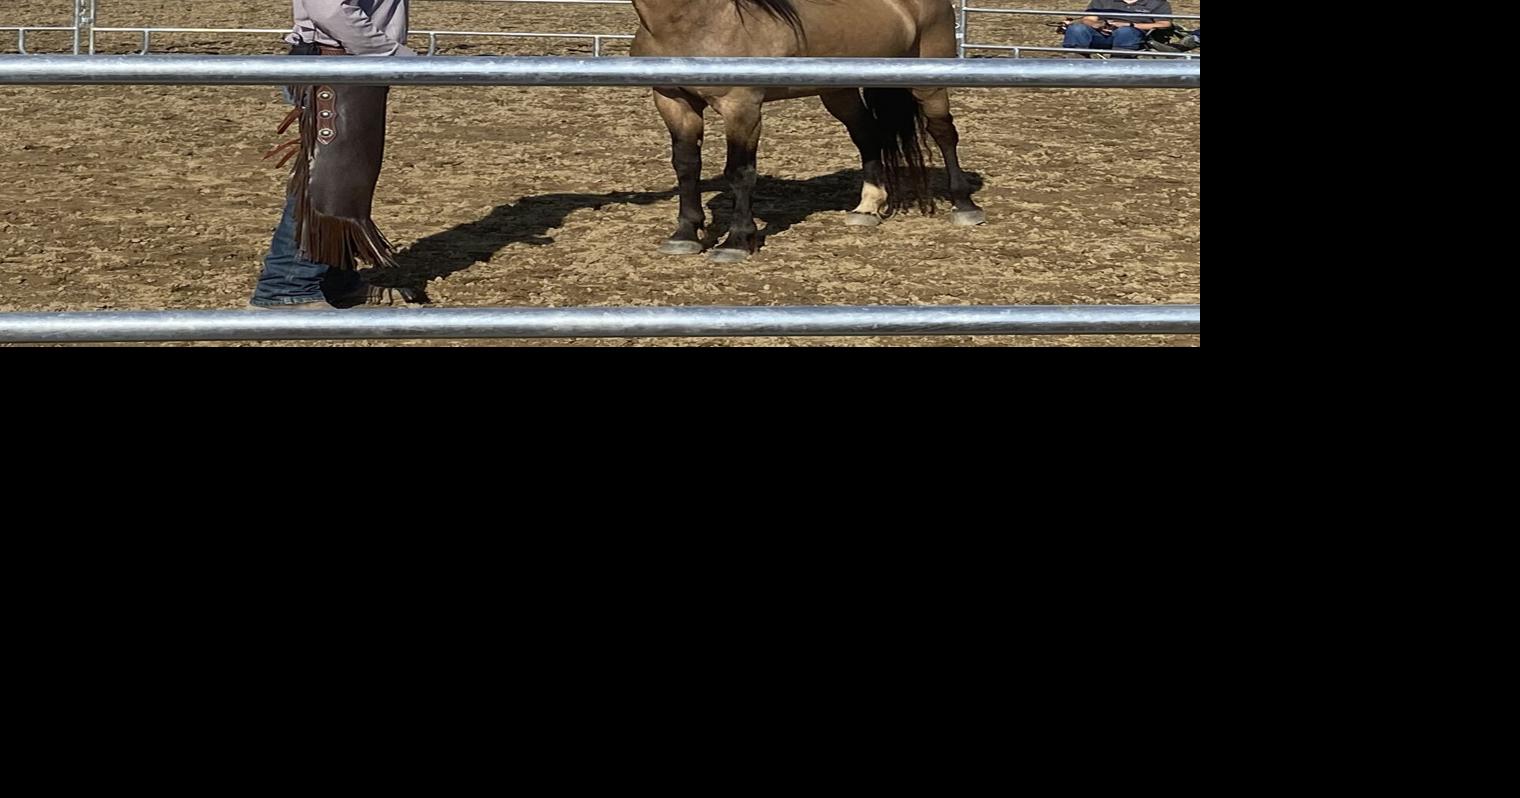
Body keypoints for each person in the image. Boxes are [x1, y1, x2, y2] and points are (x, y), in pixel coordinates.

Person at [250, 0, 418, 310]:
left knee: (345, 176)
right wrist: (389, 52)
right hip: (340, 58)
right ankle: (287, 288)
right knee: (330, 178)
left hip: (349, 57)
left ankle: (334, 281)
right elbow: (328, 9)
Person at [1062, 0, 1174, 56]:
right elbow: (1088, 19)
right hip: (1102, 34)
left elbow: (1164, 24)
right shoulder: (1103, 1)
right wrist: (1097, 25)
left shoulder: (1157, 2)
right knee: (1076, 28)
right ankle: (1075, 58)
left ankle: (1120, 60)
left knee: (1125, 32)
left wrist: (1130, 25)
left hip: (1133, 36)